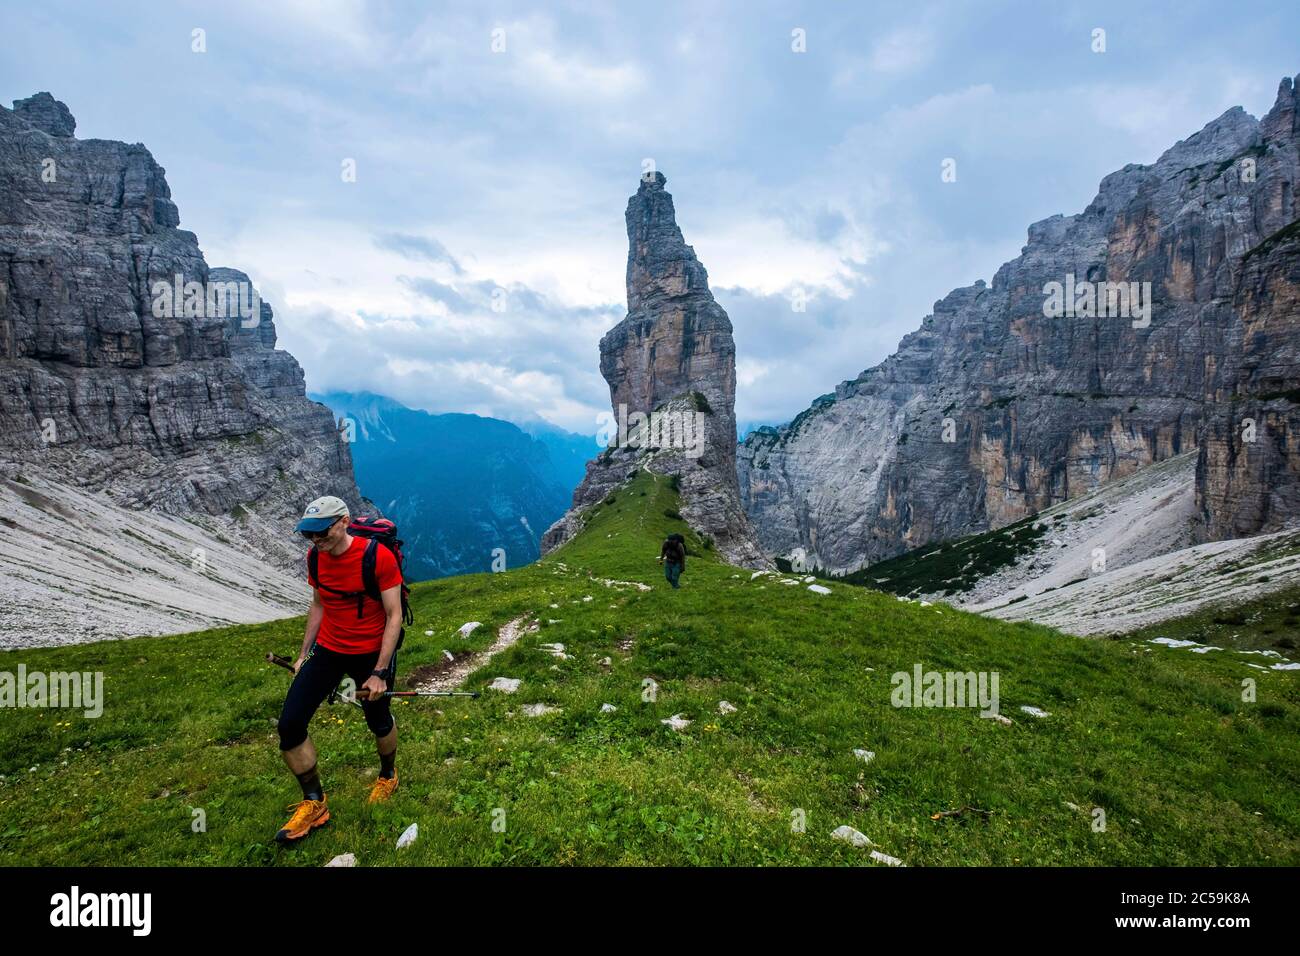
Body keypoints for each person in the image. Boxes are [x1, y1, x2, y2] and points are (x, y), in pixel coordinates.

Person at [273, 496, 405, 843]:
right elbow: (318, 605)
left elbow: (394, 616)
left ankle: (388, 775)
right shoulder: (314, 557)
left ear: (344, 522)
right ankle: (315, 802)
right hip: (329, 650)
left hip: (370, 652)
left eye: (322, 532)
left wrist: (378, 671)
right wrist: (303, 654)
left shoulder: (378, 557)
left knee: (378, 719)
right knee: (290, 725)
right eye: (309, 535)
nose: (316, 540)